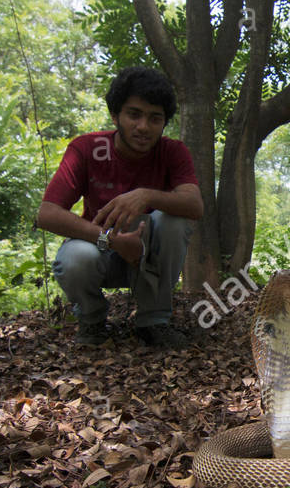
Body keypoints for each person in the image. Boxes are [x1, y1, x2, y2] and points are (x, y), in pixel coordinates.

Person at [36, 67, 203, 348]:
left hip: (148, 260)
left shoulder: (172, 152)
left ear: (164, 123)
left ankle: (154, 322)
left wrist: (146, 196)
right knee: (74, 257)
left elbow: (194, 205)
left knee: (175, 221)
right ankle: (91, 321)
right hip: (100, 252)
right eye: (134, 114)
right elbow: (47, 213)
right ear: (116, 116)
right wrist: (112, 241)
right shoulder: (87, 149)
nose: (143, 127)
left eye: (155, 118)